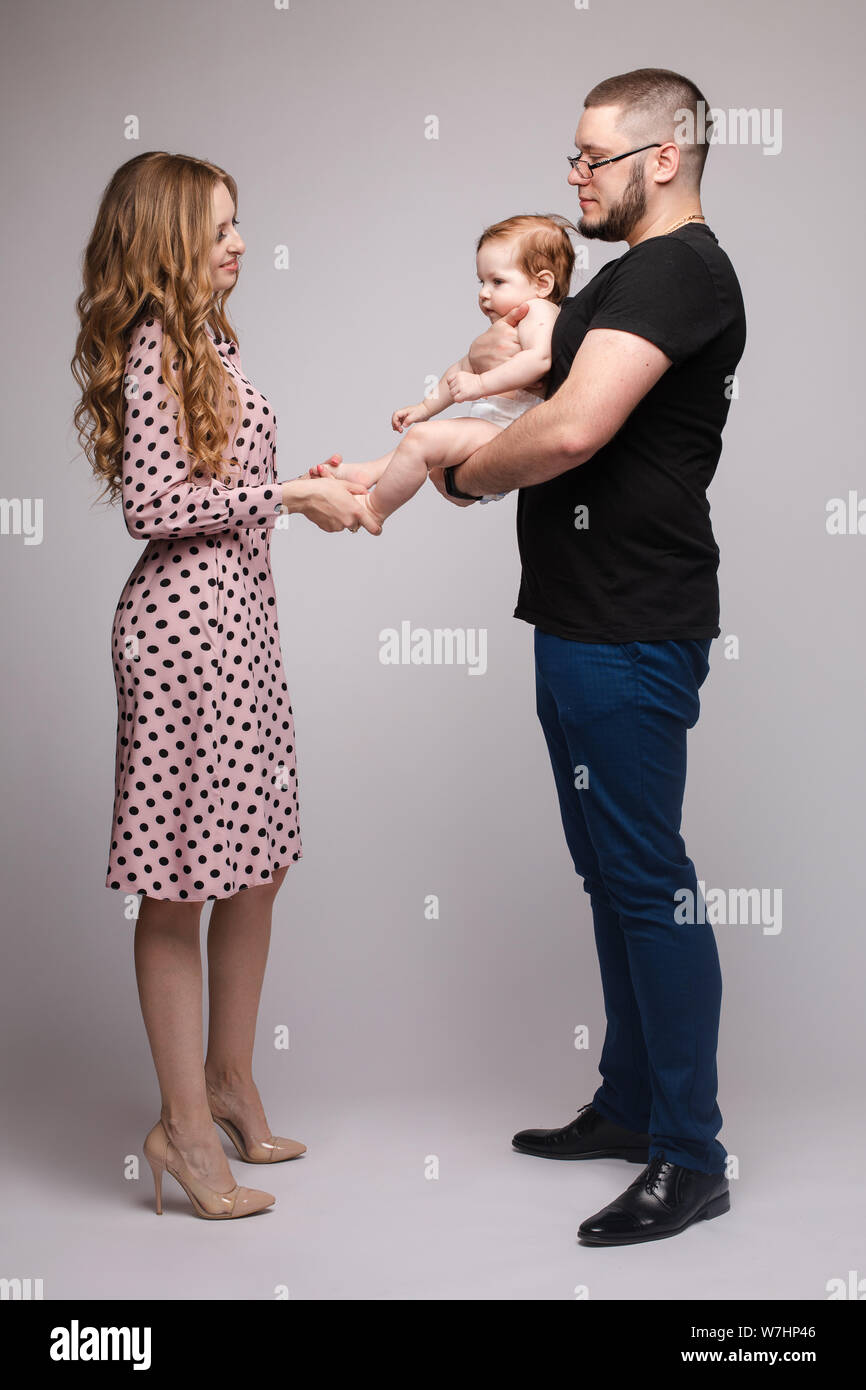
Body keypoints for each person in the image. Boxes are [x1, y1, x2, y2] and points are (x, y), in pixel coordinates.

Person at [428, 68, 747, 1246]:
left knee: (647, 883)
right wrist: (466, 392)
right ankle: (628, 1105)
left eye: (589, 157)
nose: (571, 180)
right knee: (611, 880)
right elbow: (536, 380)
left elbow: (570, 429)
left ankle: (689, 1154)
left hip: (629, 625)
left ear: (662, 157)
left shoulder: (681, 269)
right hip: (575, 616)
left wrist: (459, 468)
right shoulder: (628, 276)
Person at [72, 151, 379, 1220]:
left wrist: (305, 484)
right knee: (179, 883)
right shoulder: (155, 338)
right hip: (182, 635)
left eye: (240, 223)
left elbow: (219, 484)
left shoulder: (206, 340)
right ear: (165, 241)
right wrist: (290, 497)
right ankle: (186, 1136)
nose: (240, 242)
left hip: (236, 625)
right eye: (219, 228)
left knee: (256, 864)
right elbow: (154, 505)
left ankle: (229, 1078)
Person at [308, 215, 574, 524]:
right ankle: (369, 472)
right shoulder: (512, 321)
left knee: (422, 440)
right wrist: (424, 407)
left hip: (514, 435)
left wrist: (480, 384)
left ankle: (374, 509)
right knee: (420, 442)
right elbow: (463, 367)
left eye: (497, 281)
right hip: (496, 428)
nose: (484, 293)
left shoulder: (540, 311)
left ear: (542, 284)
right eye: (482, 282)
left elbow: (538, 360)